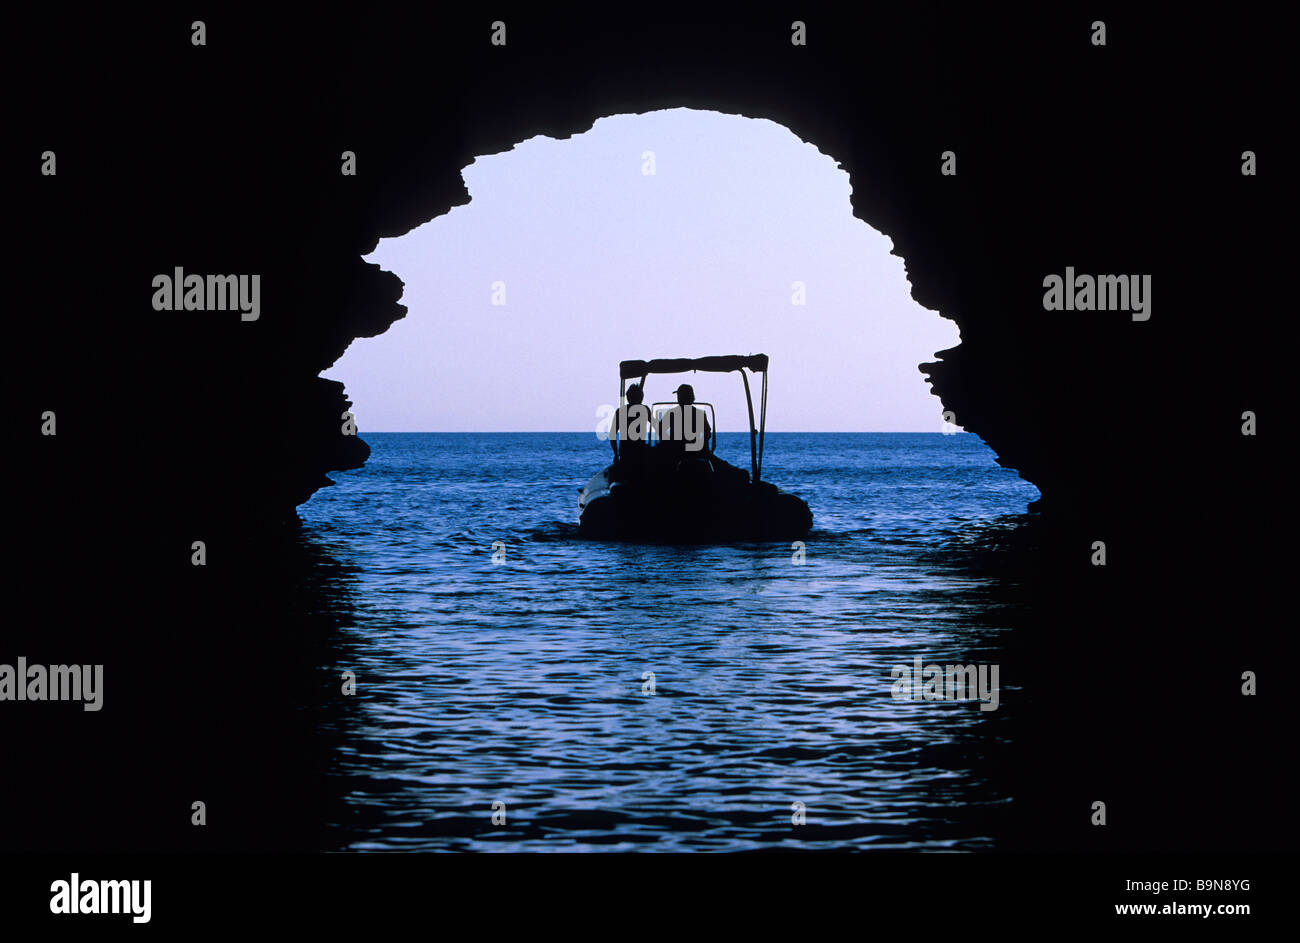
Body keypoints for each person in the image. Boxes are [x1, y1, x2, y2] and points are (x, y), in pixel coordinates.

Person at [658, 383, 711, 456]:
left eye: (679, 395)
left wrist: (671, 443)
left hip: (676, 452)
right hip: (696, 453)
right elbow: (707, 434)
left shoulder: (672, 413)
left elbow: (660, 430)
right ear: (692, 397)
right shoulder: (700, 414)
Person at [609, 383, 652, 469]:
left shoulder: (621, 411)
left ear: (628, 397)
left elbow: (612, 435)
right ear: (641, 398)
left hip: (625, 454)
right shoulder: (645, 409)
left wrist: (616, 454)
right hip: (641, 453)